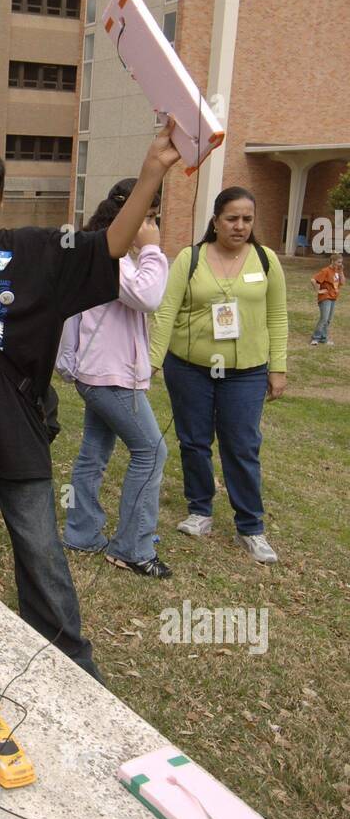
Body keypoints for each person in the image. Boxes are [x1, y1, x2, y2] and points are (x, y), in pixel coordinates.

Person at [0, 121, 180, 683]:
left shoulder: (39, 254)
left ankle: (72, 668)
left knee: (43, 558)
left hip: (20, 439)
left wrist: (152, 172)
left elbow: (111, 245)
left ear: (2, 203)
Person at [149, 186, 288, 565]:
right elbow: (165, 311)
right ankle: (200, 510)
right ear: (215, 221)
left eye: (247, 219)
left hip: (246, 372)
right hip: (190, 368)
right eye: (231, 218)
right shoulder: (190, 259)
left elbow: (278, 315)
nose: (240, 226)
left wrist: (278, 366)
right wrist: (153, 361)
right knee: (193, 440)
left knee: (241, 445)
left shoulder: (266, 260)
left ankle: (251, 527)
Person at [56, 181, 170, 577]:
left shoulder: (103, 250)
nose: (152, 225)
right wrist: (153, 248)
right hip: (110, 378)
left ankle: (82, 532)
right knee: (152, 452)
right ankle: (132, 548)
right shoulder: (110, 256)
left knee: (94, 453)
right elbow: (148, 297)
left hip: (104, 373)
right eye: (149, 217)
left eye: (155, 218)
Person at [309, 253, 344, 345]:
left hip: (333, 297)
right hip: (325, 297)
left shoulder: (337, 272)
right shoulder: (326, 271)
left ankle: (323, 338)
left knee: (328, 319)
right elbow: (313, 280)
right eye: (338, 262)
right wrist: (318, 291)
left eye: (341, 262)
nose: (340, 264)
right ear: (332, 261)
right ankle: (315, 338)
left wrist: (341, 272)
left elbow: (342, 282)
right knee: (324, 318)